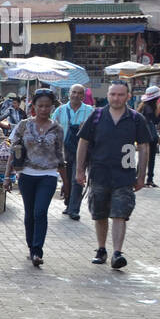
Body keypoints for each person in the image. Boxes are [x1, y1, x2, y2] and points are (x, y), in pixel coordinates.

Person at [76, 81, 151, 270]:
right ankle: (101, 249)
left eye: (120, 94)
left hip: (124, 176)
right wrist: (79, 170)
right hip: (99, 174)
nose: (116, 98)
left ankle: (117, 253)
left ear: (128, 96)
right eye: (113, 94)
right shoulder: (96, 116)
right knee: (99, 214)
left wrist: (142, 175)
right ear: (107, 96)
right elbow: (83, 143)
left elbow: (143, 147)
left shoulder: (136, 119)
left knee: (120, 214)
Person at [3, 89, 65, 266]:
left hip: (48, 175)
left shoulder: (57, 129)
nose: (44, 109)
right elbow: (13, 152)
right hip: (27, 174)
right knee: (30, 213)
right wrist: (7, 177)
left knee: (40, 211)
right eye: (40, 106)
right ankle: (31, 247)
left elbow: (61, 156)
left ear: (52, 107)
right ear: (34, 107)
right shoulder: (23, 126)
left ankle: (38, 250)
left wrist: (66, 183)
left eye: (47, 106)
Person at [52, 83, 93, 221]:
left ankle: (74, 209)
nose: (76, 95)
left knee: (78, 178)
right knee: (67, 179)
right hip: (63, 149)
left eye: (79, 93)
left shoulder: (89, 111)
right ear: (69, 94)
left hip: (82, 150)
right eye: (74, 92)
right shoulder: (60, 110)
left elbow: (96, 130)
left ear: (83, 95)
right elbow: (52, 127)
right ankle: (68, 203)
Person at [138, 86, 160, 187]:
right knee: (150, 158)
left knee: (143, 158)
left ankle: (141, 178)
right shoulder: (149, 108)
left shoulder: (144, 106)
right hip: (149, 137)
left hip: (145, 136)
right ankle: (148, 179)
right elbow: (155, 121)